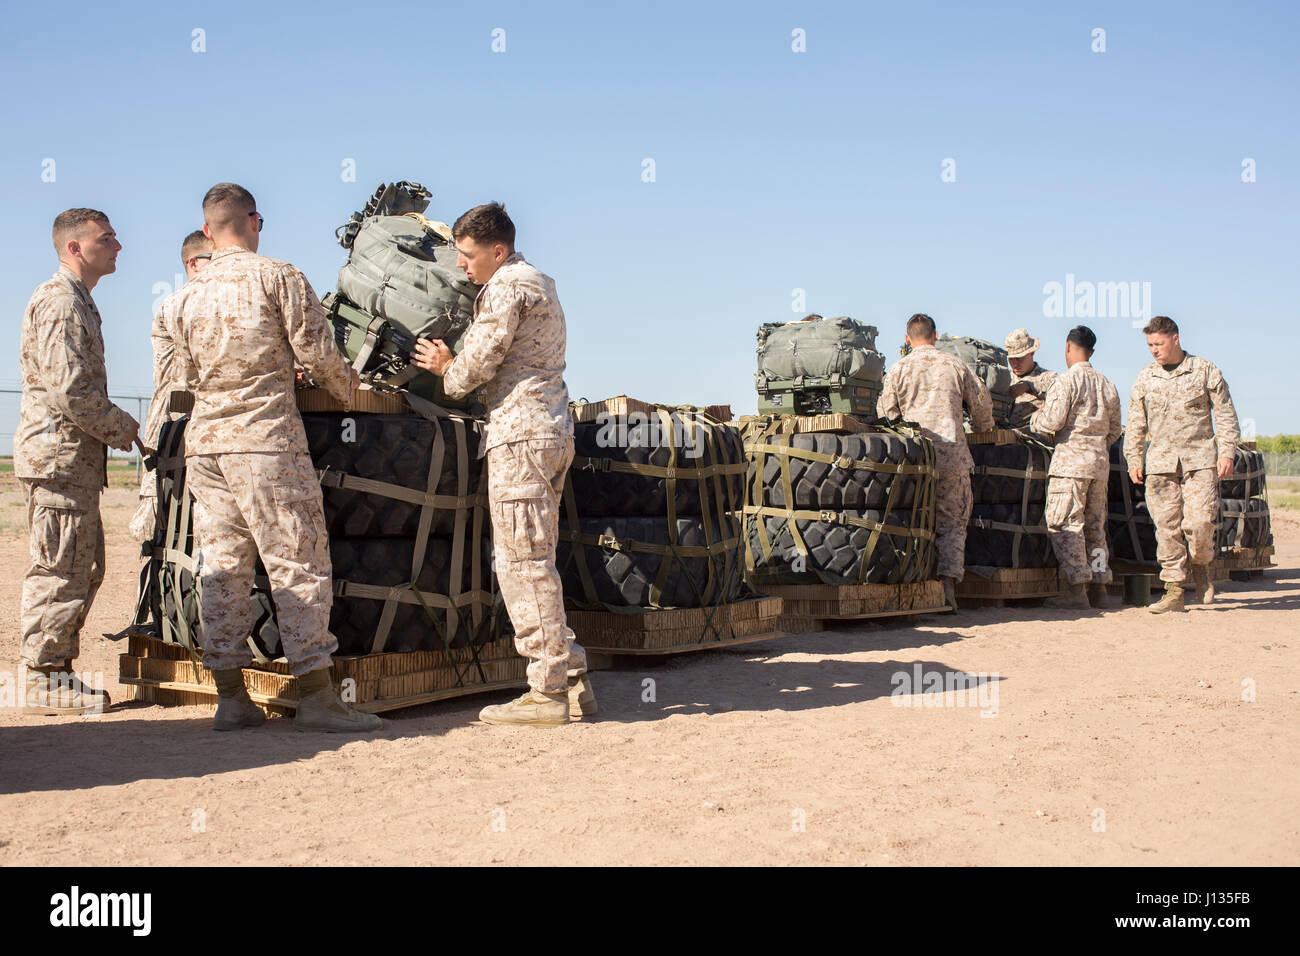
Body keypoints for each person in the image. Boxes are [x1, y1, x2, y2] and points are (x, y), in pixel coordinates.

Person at [168, 182, 376, 731]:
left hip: (207, 447)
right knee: (298, 561)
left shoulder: (180, 298)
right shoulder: (278, 276)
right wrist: (346, 389)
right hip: (266, 442)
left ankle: (232, 699)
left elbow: (181, 380)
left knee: (223, 568)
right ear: (255, 222)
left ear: (208, 231)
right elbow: (318, 353)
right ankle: (317, 698)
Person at [410, 202, 592, 727]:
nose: (462, 266)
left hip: (519, 437)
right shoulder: (541, 281)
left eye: (468, 256)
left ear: (497, 250)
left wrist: (446, 369)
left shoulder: (508, 287)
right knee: (538, 557)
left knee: (522, 564)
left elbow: (479, 361)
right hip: (548, 430)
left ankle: (547, 691)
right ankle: (574, 681)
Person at [15, 208, 141, 714]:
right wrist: (125, 428)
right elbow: (70, 388)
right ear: (74, 247)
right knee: (61, 568)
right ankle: (42, 677)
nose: (118, 246)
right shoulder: (61, 302)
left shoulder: (80, 301)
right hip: (57, 458)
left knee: (82, 567)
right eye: (107, 238)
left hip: (71, 461)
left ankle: (55, 671)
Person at [877, 313, 995, 611]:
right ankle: (947, 589)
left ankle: (915, 588)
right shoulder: (956, 365)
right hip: (952, 459)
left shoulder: (898, 369)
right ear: (935, 335)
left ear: (908, 339)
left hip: (915, 463)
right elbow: (982, 407)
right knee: (952, 524)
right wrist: (983, 429)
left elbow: (885, 415)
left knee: (912, 520)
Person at [1125, 316, 1240, 613]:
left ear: (1175, 339)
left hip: (1198, 462)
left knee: (1200, 523)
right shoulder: (1145, 378)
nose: (1154, 350)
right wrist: (1134, 458)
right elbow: (1136, 423)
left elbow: (1226, 415)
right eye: (1150, 345)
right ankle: (1174, 590)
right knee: (1166, 529)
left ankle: (1201, 564)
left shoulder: (1204, 370)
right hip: (1160, 465)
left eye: (1159, 343)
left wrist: (1227, 452)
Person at [1028, 326, 1122, 609]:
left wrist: (1035, 421)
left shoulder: (1066, 382)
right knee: (1095, 526)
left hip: (1070, 463)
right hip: (1099, 464)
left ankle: (1076, 588)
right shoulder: (1108, 384)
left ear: (1068, 347)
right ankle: (1100, 586)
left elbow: (1052, 422)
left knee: (1065, 523)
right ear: (1091, 351)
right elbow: (1115, 430)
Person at [128, 230, 213, 544]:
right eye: (214, 260)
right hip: (173, 434)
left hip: (206, 435)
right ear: (193, 264)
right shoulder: (181, 305)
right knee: (161, 532)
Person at [1004, 328, 1058, 429]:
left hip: (1034, 441)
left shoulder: (1048, 377)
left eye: (1019, 358)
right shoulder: (1005, 379)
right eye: (1011, 359)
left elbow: (1059, 393)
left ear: (1032, 353)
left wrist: (1029, 386)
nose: (1015, 363)